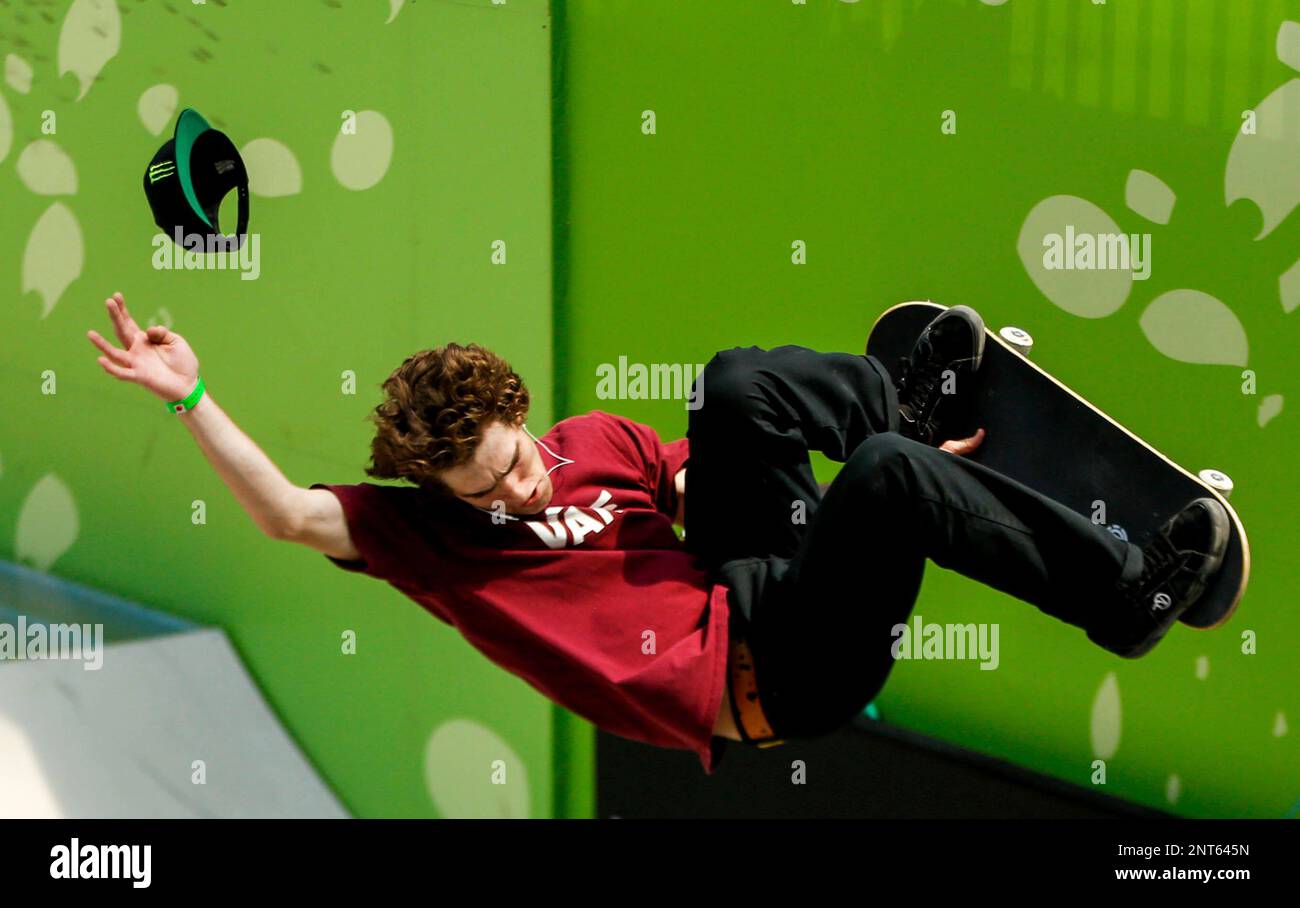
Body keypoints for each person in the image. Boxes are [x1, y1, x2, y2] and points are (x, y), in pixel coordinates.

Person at [87, 294, 1229, 773]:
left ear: (523, 415)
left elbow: (740, 469)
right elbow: (286, 511)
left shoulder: (590, 440)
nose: (523, 492)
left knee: (735, 388)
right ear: (440, 484)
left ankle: (900, 411)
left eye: (519, 458)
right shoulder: (428, 540)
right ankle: (1125, 599)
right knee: (884, 480)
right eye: (488, 489)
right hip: (778, 679)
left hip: (766, 577)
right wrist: (190, 396)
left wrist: (922, 481)